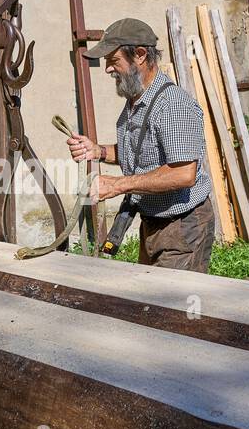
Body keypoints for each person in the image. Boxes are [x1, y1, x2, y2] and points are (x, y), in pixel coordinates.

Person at [66, 18, 215, 272]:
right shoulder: (138, 99)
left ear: (140, 55)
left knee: (171, 307)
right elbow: (141, 154)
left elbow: (183, 173)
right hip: (154, 223)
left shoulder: (172, 104)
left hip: (181, 227)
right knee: (149, 300)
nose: (108, 70)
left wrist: (117, 185)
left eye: (113, 62)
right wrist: (98, 151)